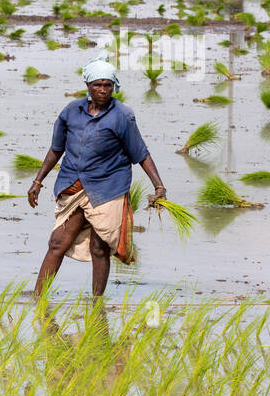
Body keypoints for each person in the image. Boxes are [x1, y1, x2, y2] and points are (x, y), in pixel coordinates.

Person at [28, 57, 167, 298]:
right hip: (73, 186)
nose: (103, 90)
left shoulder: (123, 116)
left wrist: (159, 185)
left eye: (108, 85)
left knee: (99, 248)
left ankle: (97, 304)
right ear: (87, 85)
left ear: (113, 87)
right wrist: (38, 181)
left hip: (108, 189)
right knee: (57, 243)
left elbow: (141, 153)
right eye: (97, 85)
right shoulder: (71, 112)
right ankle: (38, 297)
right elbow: (56, 149)